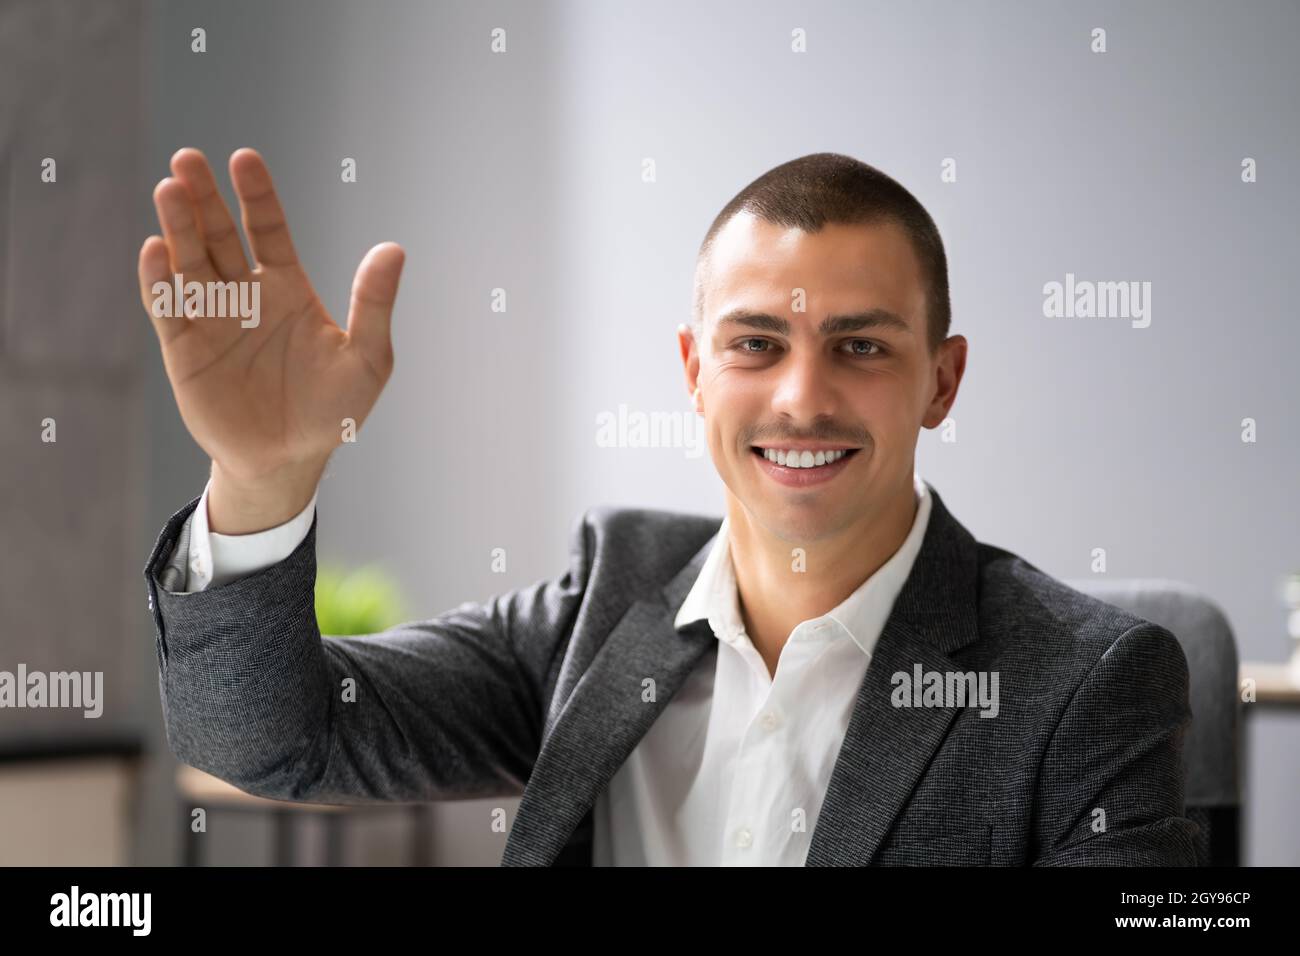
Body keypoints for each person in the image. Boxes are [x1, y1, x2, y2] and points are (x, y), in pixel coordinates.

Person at [138, 148, 1200, 866]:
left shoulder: (1085, 681)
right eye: (755, 344)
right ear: (695, 370)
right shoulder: (604, 604)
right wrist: (264, 477)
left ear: (941, 379)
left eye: (861, 345)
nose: (800, 395)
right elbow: (274, 738)